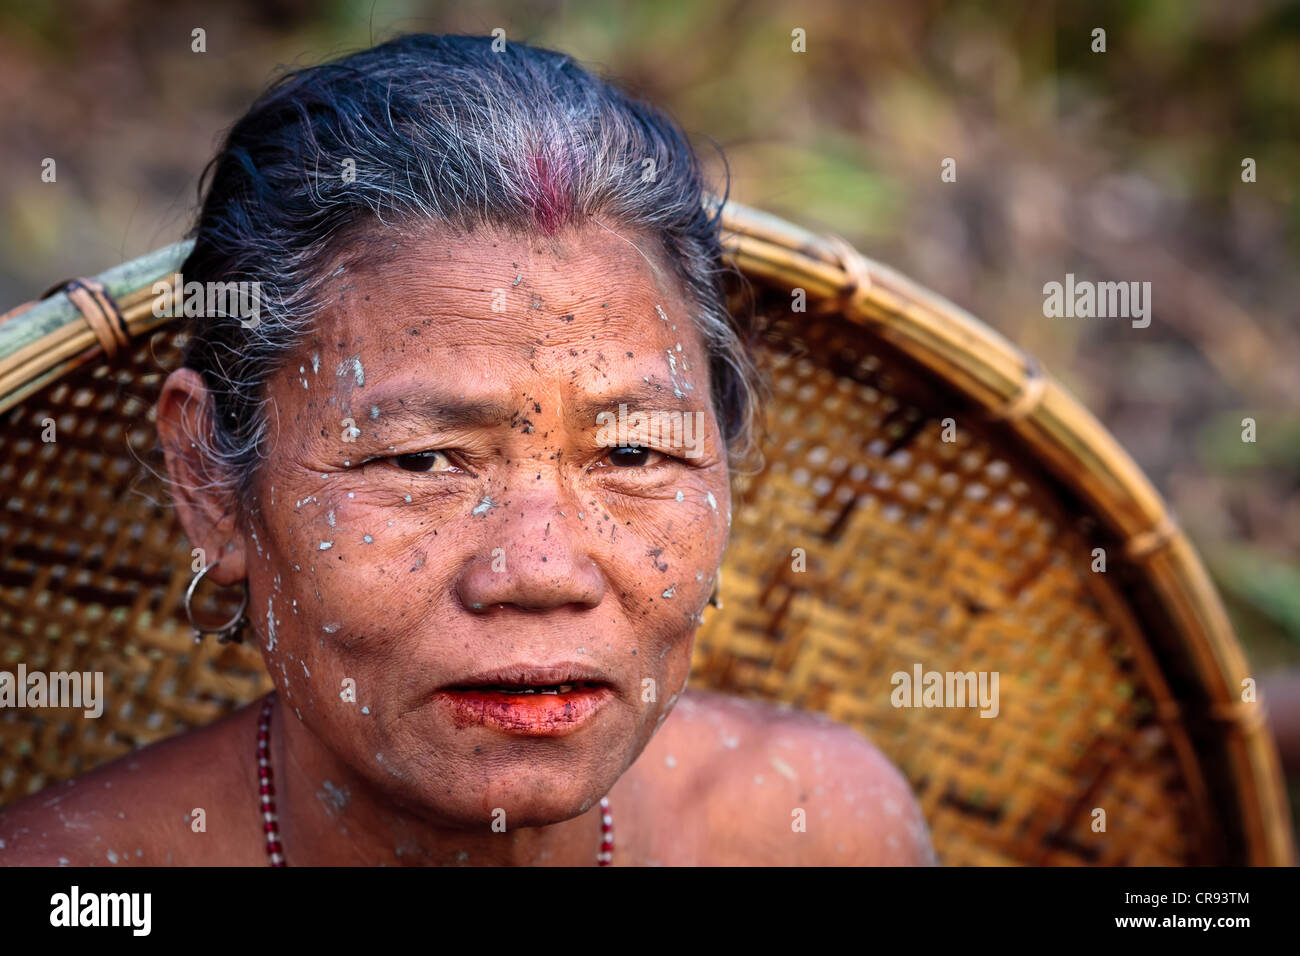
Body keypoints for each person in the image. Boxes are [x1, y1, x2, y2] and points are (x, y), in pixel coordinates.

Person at [0, 33, 934, 866]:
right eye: (421, 461)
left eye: (637, 453)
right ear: (211, 481)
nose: (538, 570)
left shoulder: (816, 830)